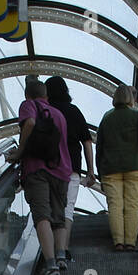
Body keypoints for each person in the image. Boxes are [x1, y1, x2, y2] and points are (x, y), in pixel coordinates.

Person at [6, 80, 72, 275]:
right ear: (47, 97)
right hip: (61, 170)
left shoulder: (28, 106)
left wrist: (20, 151)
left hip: (36, 169)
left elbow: (31, 122)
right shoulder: (59, 115)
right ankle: (61, 256)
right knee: (59, 216)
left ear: (28, 95)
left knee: (42, 215)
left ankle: (50, 264)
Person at [96, 84, 138, 251]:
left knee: (115, 205)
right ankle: (131, 242)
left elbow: (100, 148)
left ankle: (118, 242)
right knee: (132, 205)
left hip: (110, 169)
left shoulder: (106, 118)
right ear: (130, 99)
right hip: (134, 167)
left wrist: (99, 172)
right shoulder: (136, 116)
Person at [44, 75, 95, 261]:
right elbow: (87, 141)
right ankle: (63, 250)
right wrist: (90, 171)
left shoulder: (46, 112)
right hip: (72, 168)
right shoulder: (74, 111)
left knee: (49, 208)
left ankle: (50, 250)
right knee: (68, 208)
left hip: (49, 167)